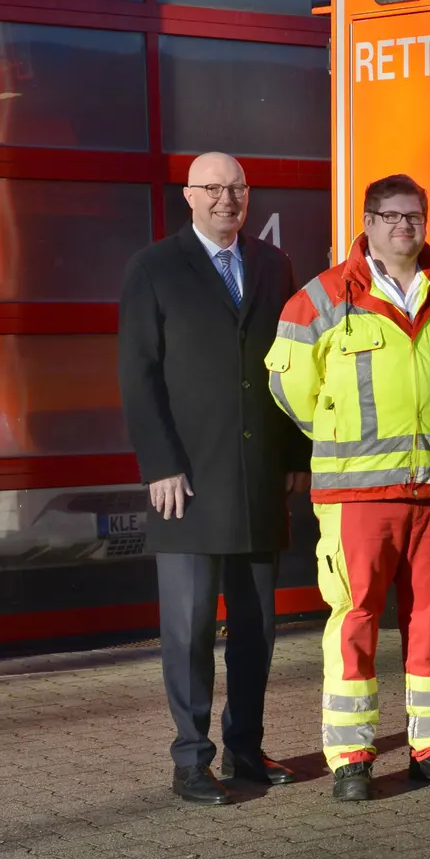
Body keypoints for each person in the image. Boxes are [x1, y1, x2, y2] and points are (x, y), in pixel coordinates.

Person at [266, 174, 430, 802]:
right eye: (389, 216)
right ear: (367, 221)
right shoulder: (324, 296)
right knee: (355, 616)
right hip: (358, 495)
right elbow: (289, 385)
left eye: (413, 216)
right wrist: (336, 429)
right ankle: (352, 756)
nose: (403, 227)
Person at [119, 152, 308, 805]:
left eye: (238, 188)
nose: (227, 198)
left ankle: (246, 750)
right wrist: (160, 464)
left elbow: (290, 367)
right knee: (190, 630)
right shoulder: (154, 269)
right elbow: (138, 377)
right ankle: (191, 760)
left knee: (256, 630)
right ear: (189, 196)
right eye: (214, 188)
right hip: (188, 484)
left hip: (257, 479)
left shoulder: (272, 265)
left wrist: (293, 457)